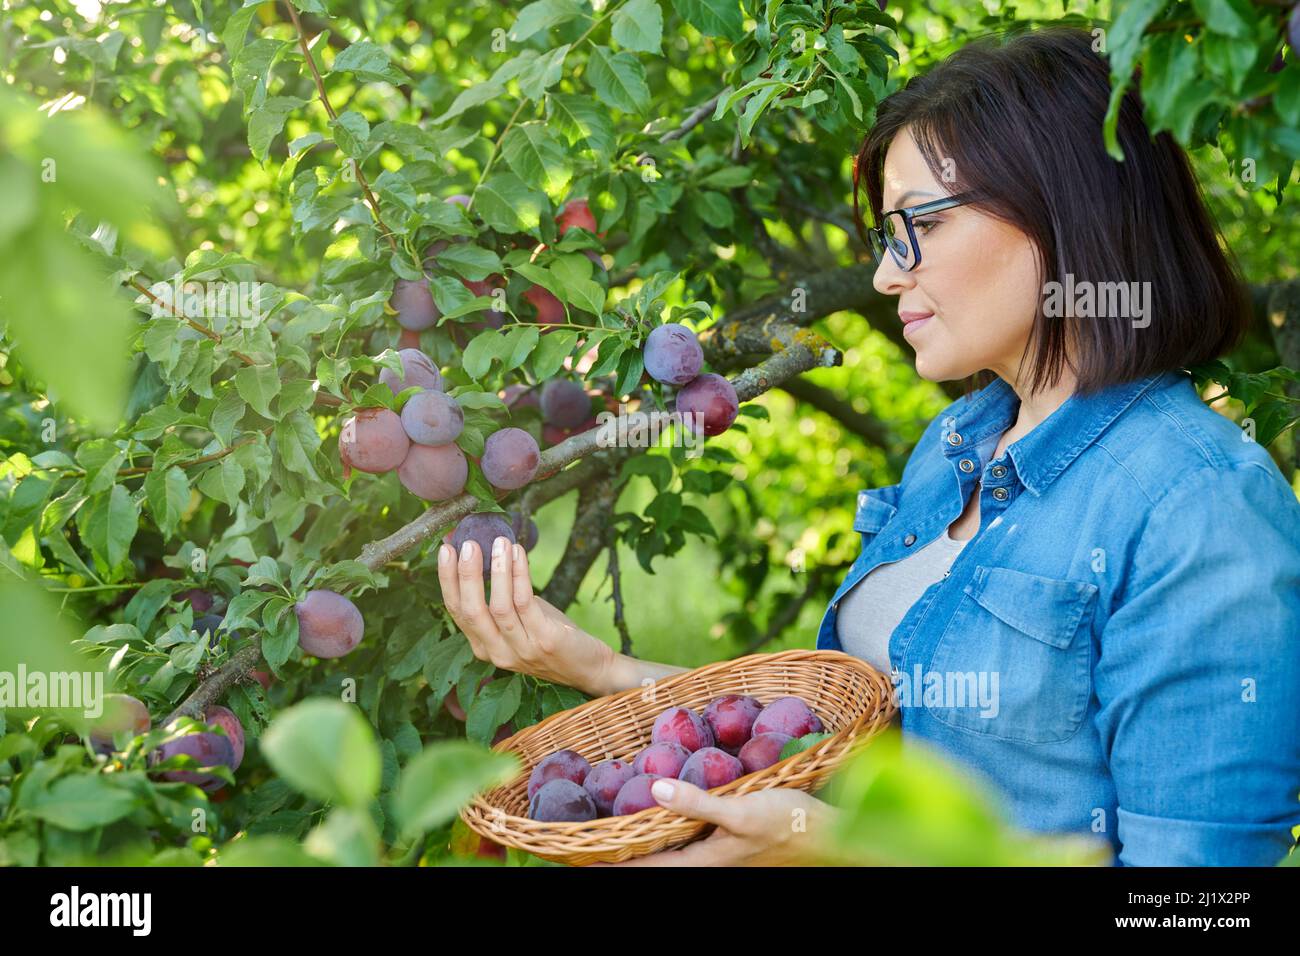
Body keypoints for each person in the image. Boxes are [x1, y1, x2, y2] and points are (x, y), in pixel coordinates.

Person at [437, 27, 1300, 867]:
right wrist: (597, 664)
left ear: (1061, 212)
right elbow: (835, 741)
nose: (888, 274)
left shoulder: (1202, 505)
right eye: (886, 237)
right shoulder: (956, 444)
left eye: (914, 223)